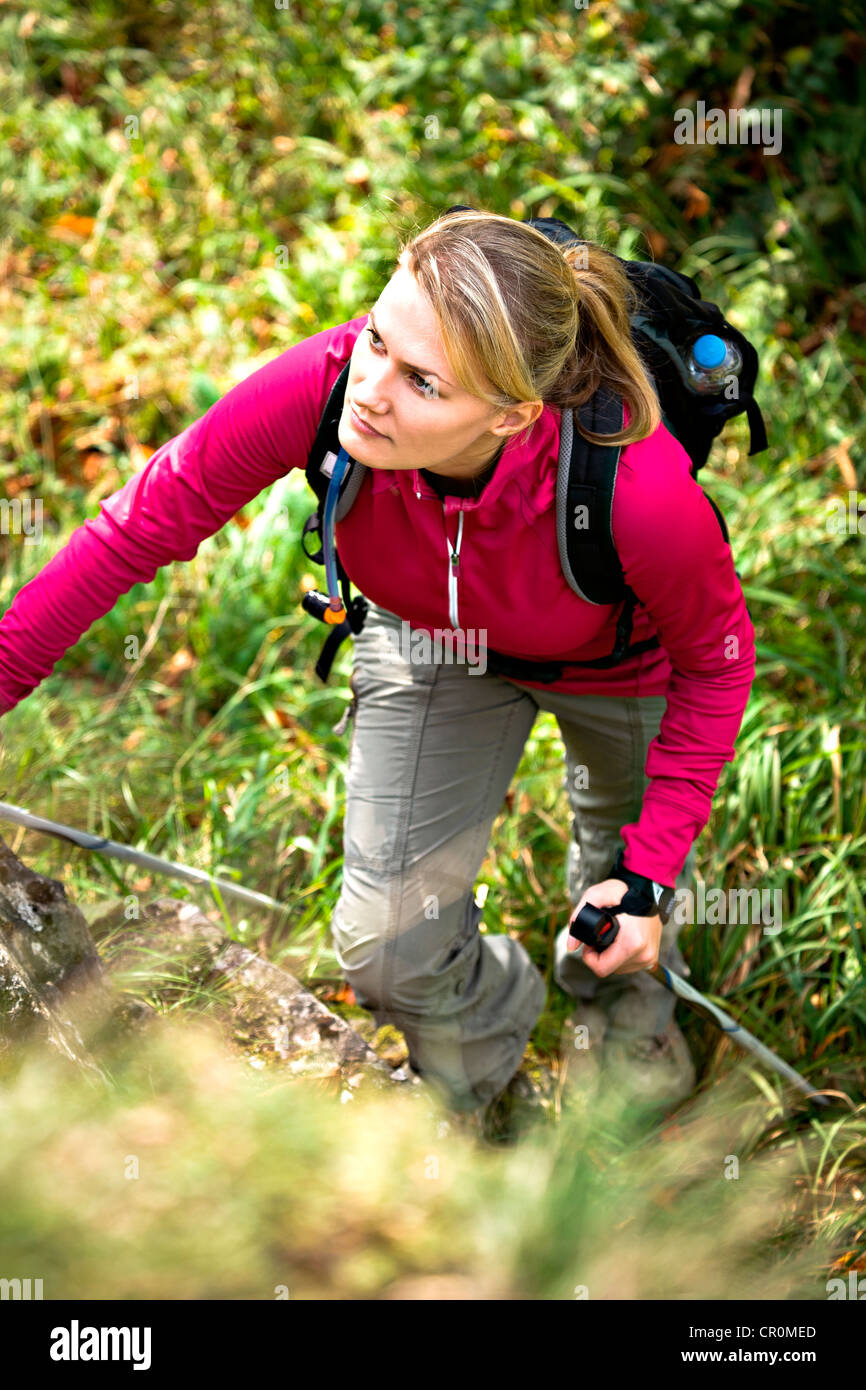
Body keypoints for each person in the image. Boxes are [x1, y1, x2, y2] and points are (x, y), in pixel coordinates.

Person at [0, 209, 756, 1119]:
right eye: (377, 339)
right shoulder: (326, 385)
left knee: (621, 870)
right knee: (388, 949)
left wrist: (650, 877)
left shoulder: (636, 491)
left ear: (514, 416)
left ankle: (627, 1006)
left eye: (423, 383)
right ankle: (488, 1062)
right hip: (431, 636)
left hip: (621, 668)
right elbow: (139, 526)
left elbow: (717, 667)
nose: (370, 390)